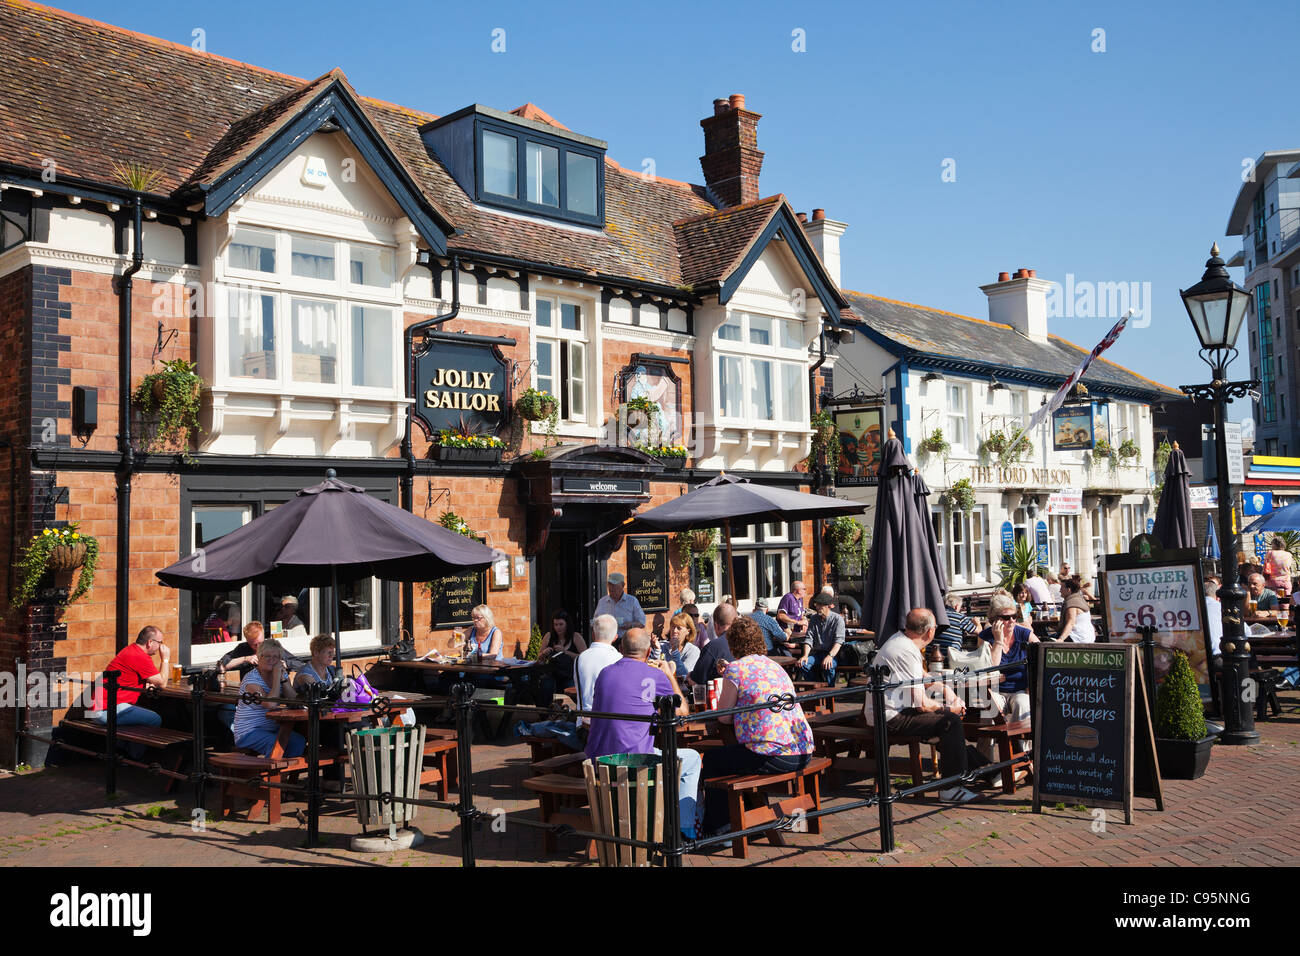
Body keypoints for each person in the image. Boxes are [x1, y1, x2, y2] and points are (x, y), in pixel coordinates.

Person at [699, 617, 816, 837]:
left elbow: (724, 717)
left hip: (774, 752)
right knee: (732, 758)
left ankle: (719, 832)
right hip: (803, 748)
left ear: (732, 644)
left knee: (714, 760)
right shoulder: (774, 665)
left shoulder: (736, 669)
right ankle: (751, 819)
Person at [586, 627, 701, 839]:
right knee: (692, 759)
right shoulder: (654, 675)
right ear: (649, 652)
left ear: (620, 649)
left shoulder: (605, 673)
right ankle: (684, 832)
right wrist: (669, 675)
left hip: (598, 764)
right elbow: (682, 711)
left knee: (664, 754)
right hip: (634, 764)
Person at [864, 609, 976, 803]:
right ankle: (951, 789)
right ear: (930, 632)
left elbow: (923, 677)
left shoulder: (900, 642)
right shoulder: (907, 651)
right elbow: (921, 705)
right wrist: (951, 709)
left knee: (946, 725)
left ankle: (986, 770)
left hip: (888, 711)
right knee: (950, 723)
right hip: (889, 717)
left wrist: (947, 692)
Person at [86, 625, 167, 757]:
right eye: (160, 643)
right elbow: (162, 683)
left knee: (139, 718)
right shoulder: (139, 656)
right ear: (150, 642)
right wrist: (165, 659)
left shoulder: (130, 650)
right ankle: (135, 757)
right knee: (154, 719)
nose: (161, 647)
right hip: (105, 711)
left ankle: (122, 751)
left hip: (101, 709)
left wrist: (144, 685)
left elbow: (130, 679)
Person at [232, 638, 303, 758]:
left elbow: (293, 700)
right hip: (248, 731)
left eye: (275, 657)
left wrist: (283, 679)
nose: (271, 660)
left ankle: (285, 774)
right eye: (267, 656)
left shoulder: (280, 674)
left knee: (298, 742)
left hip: (272, 728)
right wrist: (276, 677)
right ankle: (270, 775)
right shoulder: (251, 679)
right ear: (259, 657)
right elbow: (270, 704)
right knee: (276, 744)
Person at [979, 594, 1037, 734]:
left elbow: (1041, 656)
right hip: (993, 690)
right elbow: (990, 668)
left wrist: (1031, 685)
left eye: (1014, 616)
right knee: (989, 710)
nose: (1011, 621)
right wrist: (998, 641)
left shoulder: (1024, 634)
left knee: (1022, 704)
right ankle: (985, 755)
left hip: (1020, 689)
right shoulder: (985, 637)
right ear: (995, 620)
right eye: (1006, 618)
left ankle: (1022, 750)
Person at [792, 592, 844, 685]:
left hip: (833, 654)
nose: (817, 607)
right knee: (802, 664)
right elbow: (809, 639)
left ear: (828, 606)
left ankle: (830, 690)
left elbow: (838, 641)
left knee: (829, 665)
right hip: (817, 654)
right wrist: (805, 656)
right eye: (817, 604)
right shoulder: (814, 618)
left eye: (821, 605)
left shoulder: (837, 620)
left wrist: (830, 656)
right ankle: (817, 685)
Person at [536, 609, 586, 701]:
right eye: (555, 624)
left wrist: (565, 652)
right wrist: (543, 653)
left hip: (570, 674)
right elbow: (539, 660)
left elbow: (585, 658)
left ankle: (579, 712)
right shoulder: (548, 636)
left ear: (567, 624)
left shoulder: (575, 637)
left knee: (573, 690)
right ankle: (545, 713)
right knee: (545, 684)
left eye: (561, 624)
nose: (558, 627)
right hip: (552, 674)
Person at [691, 603, 735, 684]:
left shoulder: (712, 647)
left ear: (716, 625)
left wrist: (689, 677)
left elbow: (697, 680)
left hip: (721, 694)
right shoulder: (749, 642)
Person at [594, 572, 646, 641]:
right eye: (609, 584)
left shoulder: (632, 601)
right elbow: (595, 620)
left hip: (626, 640)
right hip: (607, 641)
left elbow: (642, 623)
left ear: (623, 585)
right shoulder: (602, 601)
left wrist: (630, 625)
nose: (611, 588)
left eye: (614, 585)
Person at [1056, 576, 1096, 643]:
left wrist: (1061, 639)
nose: (1060, 590)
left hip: (1077, 638)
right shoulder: (1080, 599)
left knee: (1045, 641)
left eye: (1061, 588)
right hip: (1089, 636)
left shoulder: (1072, 603)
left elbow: (1071, 623)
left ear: (1068, 590)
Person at [662, 611, 700, 679]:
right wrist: (655, 650)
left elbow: (683, 675)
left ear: (688, 631)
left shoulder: (693, 651)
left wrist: (674, 651)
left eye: (679, 628)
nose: (674, 631)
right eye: (673, 627)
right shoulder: (663, 647)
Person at [1203, 579, 1223, 658]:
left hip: (1199, 657)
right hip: (1218, 657)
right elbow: (1247, 632)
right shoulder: (1222, 607)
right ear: (1217, 595)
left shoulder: (1194, 607)